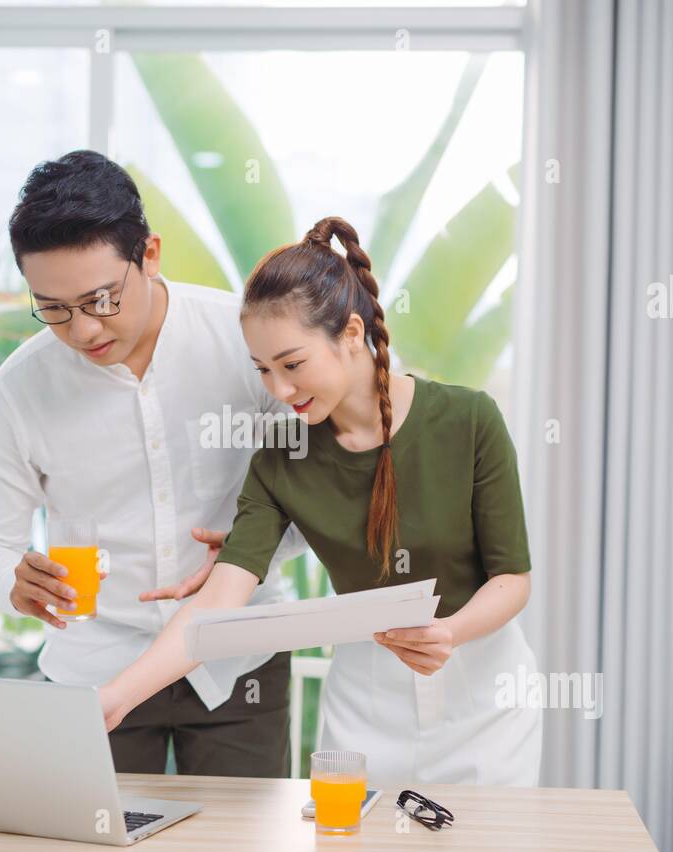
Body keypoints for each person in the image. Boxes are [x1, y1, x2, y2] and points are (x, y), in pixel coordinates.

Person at [101, 215, 542, 787]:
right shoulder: (281, 457)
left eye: (292, 364)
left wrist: (449, 633)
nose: (279, 391)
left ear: (352, 334)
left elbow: (513, 579)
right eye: (263, 370)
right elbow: (218, 602)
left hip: (485, 696)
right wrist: (115, 697)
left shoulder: (469, 419)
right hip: (366, 703)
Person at [0, 150, 306, 777]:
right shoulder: (20, 390)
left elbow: (320, 498)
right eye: (54, 308)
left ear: (149, 254)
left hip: (237, 661)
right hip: (93, 673)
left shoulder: (245, 339)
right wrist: (13, 583)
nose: (83, 329)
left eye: (101, 298)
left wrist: (253, 550)